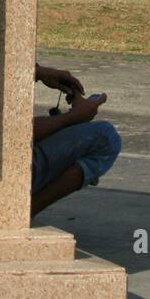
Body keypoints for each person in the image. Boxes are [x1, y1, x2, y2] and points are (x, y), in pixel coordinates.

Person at [31, 63, 122, 215]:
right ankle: (25, 211)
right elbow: (17, 133)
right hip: (9, 165)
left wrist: (39, 72)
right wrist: (73, 117)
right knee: (106, 138)